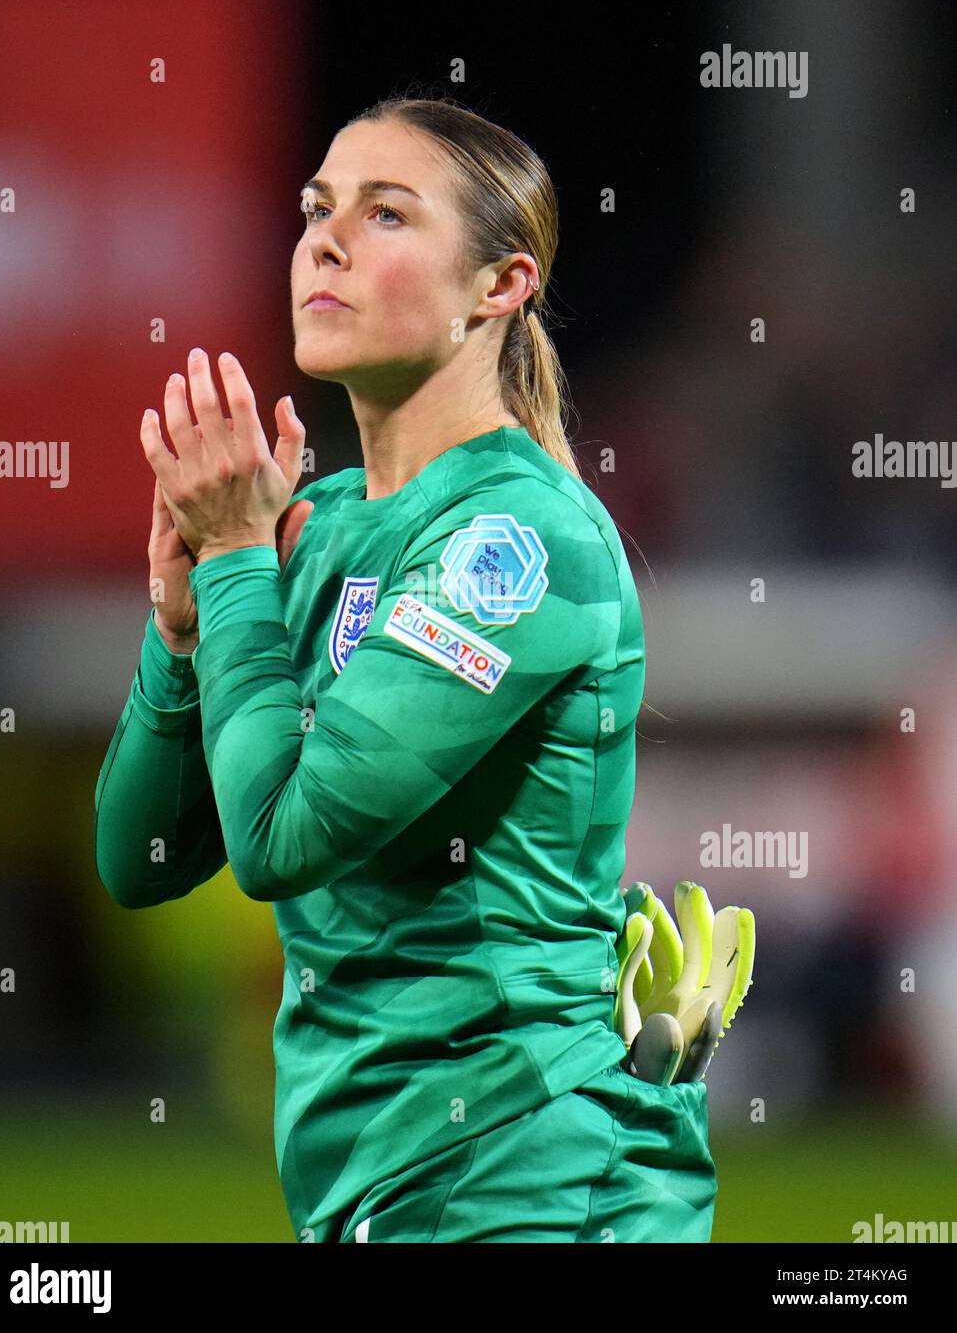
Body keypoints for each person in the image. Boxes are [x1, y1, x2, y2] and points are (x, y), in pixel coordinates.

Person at [94, 94, 716, 1243]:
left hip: (523, 1170)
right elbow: (139, 859)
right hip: (378, 1179)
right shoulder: (314, 522)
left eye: (386, 215)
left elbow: (286, 840)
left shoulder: (513, 543)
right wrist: (183, 632)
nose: (324, 239)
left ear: (501, 285)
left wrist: (234, 560)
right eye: (316, 208)